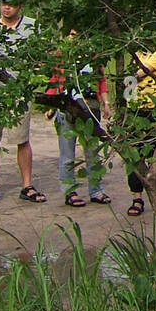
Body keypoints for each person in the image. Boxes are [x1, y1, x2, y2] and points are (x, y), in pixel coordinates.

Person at [0, 0, 46, 206]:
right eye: (4, 3)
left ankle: (26, 185)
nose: (7, 7)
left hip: (19, 90)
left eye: (11, 4)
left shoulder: (31, 26)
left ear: (20, 6)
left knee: (21, 138)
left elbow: (41, 55)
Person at [43, 31, 112, 207]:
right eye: (71, 34)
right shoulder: (62, 56)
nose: (74, 38)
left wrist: (106, 104)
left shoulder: (93, 55)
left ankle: (96, 190)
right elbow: (55, 80)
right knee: (67, 152)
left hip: (90, 105)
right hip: (68, 106)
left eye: (78, 34)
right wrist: (51, 105)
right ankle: (69, 191)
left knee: (92, 151)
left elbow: (101, 81)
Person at [124, 46, 156, 218]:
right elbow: (127, 82)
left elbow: (140, 73)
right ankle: (136, 198)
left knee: (154, 154)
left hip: (152, 111)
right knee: (134, 156)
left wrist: (134, 72)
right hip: (134, 111)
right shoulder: (135, 55)